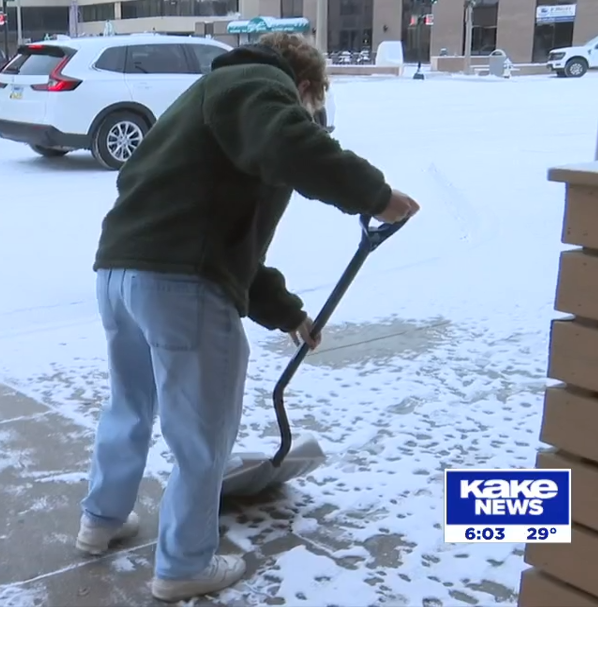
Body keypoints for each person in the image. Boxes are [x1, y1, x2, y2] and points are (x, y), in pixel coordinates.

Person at [74, 31, 420, 603]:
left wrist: (287, 313)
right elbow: (291, 144)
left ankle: (102, 519)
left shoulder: (209, 94)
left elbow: (223, 238)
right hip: (181, 283)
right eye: (311, 107)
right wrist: (376, 195)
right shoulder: (258, 84)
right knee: (201, 434)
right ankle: (183, 564)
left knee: (130, 405)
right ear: (304, 86)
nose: (309, 116)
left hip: (121, 273)